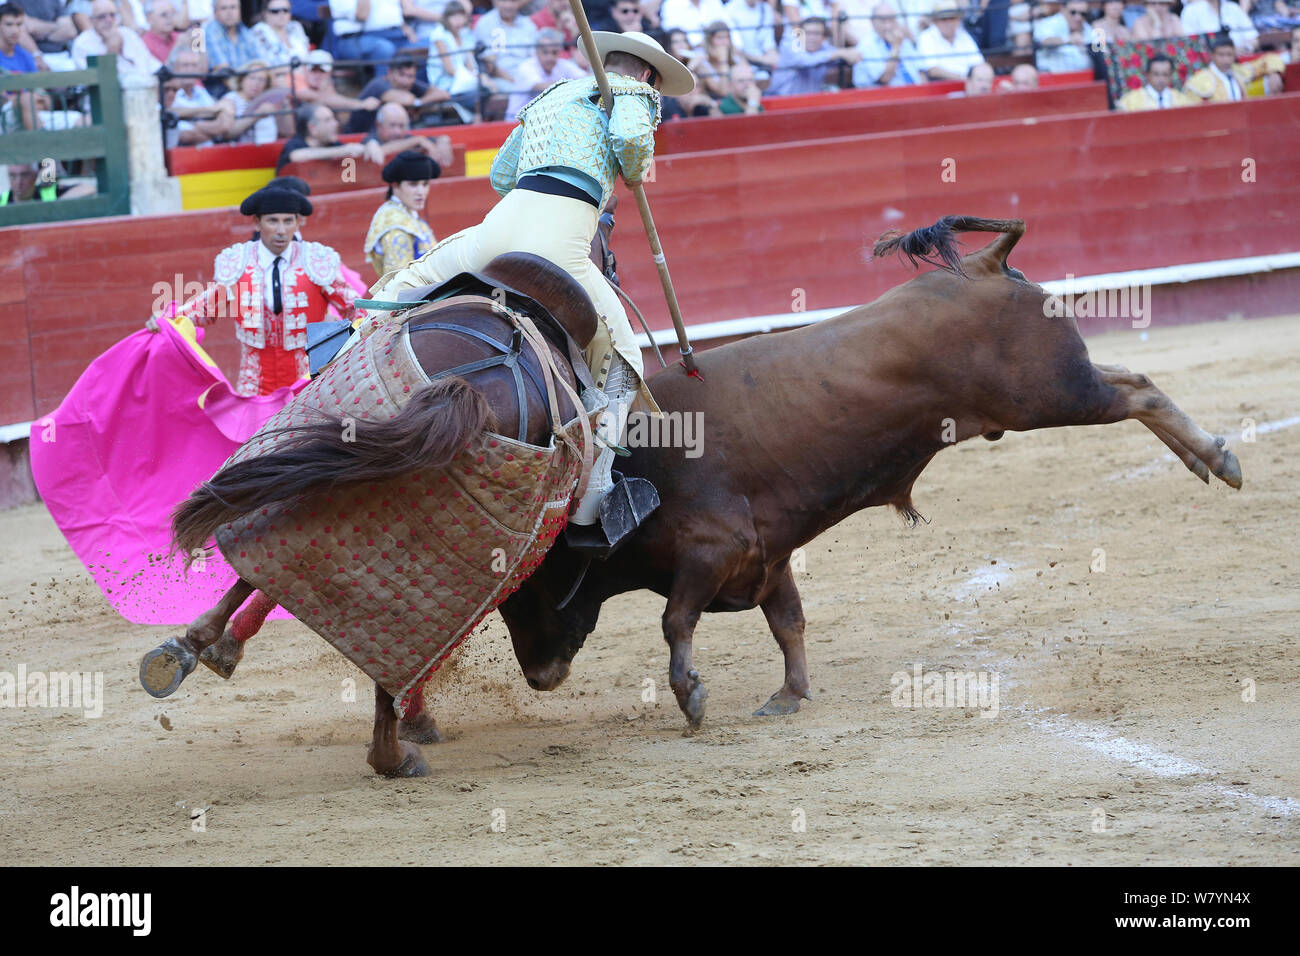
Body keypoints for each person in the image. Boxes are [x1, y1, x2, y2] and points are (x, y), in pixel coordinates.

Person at [365, 31, 694, 539]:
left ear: (605, 61)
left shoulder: (553, 93)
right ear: (648, 73)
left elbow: (502, 174)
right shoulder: (637, 94)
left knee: (403, 286)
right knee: (624, 364)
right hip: (559, 240)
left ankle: (342, 361)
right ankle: (592, 503)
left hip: (497, 227)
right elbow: (630, 143)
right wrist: (626, 172)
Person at [145, 186, 359, 397]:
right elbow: (205, 308)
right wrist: (167, 320)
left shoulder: (315, 260)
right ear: (257, 223)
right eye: (272, 221)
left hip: (308, 379)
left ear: (297, 222)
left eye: (288, 221)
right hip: (255, 383)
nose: (281, 230)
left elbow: (354, 307)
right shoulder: (238, 262)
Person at [363, 148, 438, 277]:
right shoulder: (396, 226)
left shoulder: (407, 216)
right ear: (395, 185)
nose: (421, 192)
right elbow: (401, 284)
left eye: (425, 184)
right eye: (413, 184)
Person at [344, 55, 450, 133]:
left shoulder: (409, 82)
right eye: (401, 75)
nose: (406, 81)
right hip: (359, 137)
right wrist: (419, 104)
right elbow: (408, 101)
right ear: (389, 73)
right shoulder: (378, 85)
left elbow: (444, 94)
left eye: (410, 76)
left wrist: (419, 103)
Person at [506, 28, 588, 120]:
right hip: (517, 122)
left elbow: (586, 78)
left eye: (554, 52)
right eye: (545, 52)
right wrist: (570, 84)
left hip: (543, 120)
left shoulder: (562, 64)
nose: (550, 57)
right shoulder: (526, 67)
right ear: (537, 51)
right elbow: (540, 86)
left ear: (559, 52)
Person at [279, 102, 384, 171]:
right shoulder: (294, 144)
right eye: (328, 120)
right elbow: (297, 156)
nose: (336, 124)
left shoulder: (334, 144)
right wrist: (341, 151)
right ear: (312, 128)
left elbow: (355, 148)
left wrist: (371, 143)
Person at [768, 16, 861, 94]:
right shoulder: (790, 44)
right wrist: (840, 53)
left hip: (809, 103)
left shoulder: (823, 47)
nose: (812, 38)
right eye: (807, 33)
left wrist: (851, 54)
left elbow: (840, 55)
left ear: (823, 37)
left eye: (816, 34)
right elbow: (804, 60)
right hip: (780, 102)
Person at [71, 0, 163, 78]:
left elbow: (153, 66)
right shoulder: (82, 43)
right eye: (102, 17)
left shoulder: (128, 34)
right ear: (91, 20)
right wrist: (111, 51)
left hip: (141, 91)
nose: (109, 20)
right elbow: (93, 80)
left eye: (112, 15)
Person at [425, 0, 480, 121]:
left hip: (463, 82)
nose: (458, 21)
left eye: (461, 16)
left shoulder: (464, 34)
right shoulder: (439, 35)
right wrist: (471, 79)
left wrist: (476, 77)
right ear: (446, 18)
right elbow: (450, 69)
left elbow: (469, 62)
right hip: (445, 85)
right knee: (479, 99)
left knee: (487, 90)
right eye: (454, 17)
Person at [164, 48, 231, 143]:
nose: (190, 70)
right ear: (175, 68)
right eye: (185, 65)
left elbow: (223, 120)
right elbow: (183, 134)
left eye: (194, 65)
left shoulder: (201, 92)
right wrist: (209, 113)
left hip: (211, 151)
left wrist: (198, 125)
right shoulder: (168, 92)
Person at [1184, 36, 1282, 100]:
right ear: (1212, 55)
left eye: (1229, 55)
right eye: (1221, 55)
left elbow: (1272, 58)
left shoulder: (1239, 71)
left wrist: (1275, 73)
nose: (1226, 60)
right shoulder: (1199, 80)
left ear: (1234, 55)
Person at [289, 49, 384, 115]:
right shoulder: (296, 77)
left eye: (322, 71)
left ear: (329, 73)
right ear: (305, 69)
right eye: (313, 70)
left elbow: (331, 100)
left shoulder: (327, 82)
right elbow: (322, 98)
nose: (317, 75)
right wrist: (360, 104)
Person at [854, 3, 922, 87]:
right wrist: (896, 47)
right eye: (883, 21)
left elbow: (920, 71)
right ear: (873, 22)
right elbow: (885, 78)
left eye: (892, 20)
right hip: (882, 96)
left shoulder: (903, 40)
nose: (888, 26)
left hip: (914, 92)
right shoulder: (866, 45)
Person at [915, 0, 983, 81]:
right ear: (935, 21)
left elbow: (979, 63)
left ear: (958, 20)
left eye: (952, 18)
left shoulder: (963, 35)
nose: (948, 22)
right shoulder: (926, 36)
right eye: (943, 19)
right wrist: (963, 78)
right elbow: (933, 70)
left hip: (969, 86)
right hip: (940, 87)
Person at [364, 101, 456, 160]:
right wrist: (417, 140)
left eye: (401, 126)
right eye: (392, 125)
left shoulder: (408, 138)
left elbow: (436, 140)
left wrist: (443, 140)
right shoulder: (370, 139)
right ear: (379, 125)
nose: (397, 132)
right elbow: (380, 151)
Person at [328, 0, 410, 64]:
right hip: (348, 41)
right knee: (384, 48)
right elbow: (363, 14)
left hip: (370, 37)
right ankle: (383, 85)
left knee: (417, 47)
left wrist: (404, 26)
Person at [219, 60, 279, 143]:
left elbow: (287, 132)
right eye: (252, 77)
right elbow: (227, 133)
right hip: (236, 152)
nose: (256, 83)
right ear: (242, 79)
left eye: (262, 80)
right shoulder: (230, 99)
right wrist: (257, 114)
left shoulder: (266, 102)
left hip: (263, 150)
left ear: (266, 84)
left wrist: (285, 103)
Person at [1117, 53, 1196, 109]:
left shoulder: (1181, 99)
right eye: (1156, 74)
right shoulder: (1131, 100)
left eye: (1165, 74)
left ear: (1171, 76)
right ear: (1147, 75)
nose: (1161, 79)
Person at [1033, 0, 1092, 74]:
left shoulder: (1087, 28)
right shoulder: (1049, 23)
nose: (1078, 17)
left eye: (1083, 14)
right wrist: (1068, 39)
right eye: (1073, 12)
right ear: (1063, 10)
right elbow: (1044, 41)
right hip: (1053, 77)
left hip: (1083, 77)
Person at [1180, 0, 1257, 53]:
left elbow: (1254, 38)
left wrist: (1246, 49)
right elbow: (1191, 45)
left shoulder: (1233, 8)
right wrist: (1227, 53)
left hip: (1242, 62)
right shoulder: (1190, 11)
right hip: (1209, 69)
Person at [205, 0, 260, 71]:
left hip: (250, 79)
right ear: (215, 13)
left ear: (240, 10)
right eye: (224, 8)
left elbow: (260, 63)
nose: (229, 13)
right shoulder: (209, 32)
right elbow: (223, 71)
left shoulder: (245, 31)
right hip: (225, 81)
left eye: (233, 7)